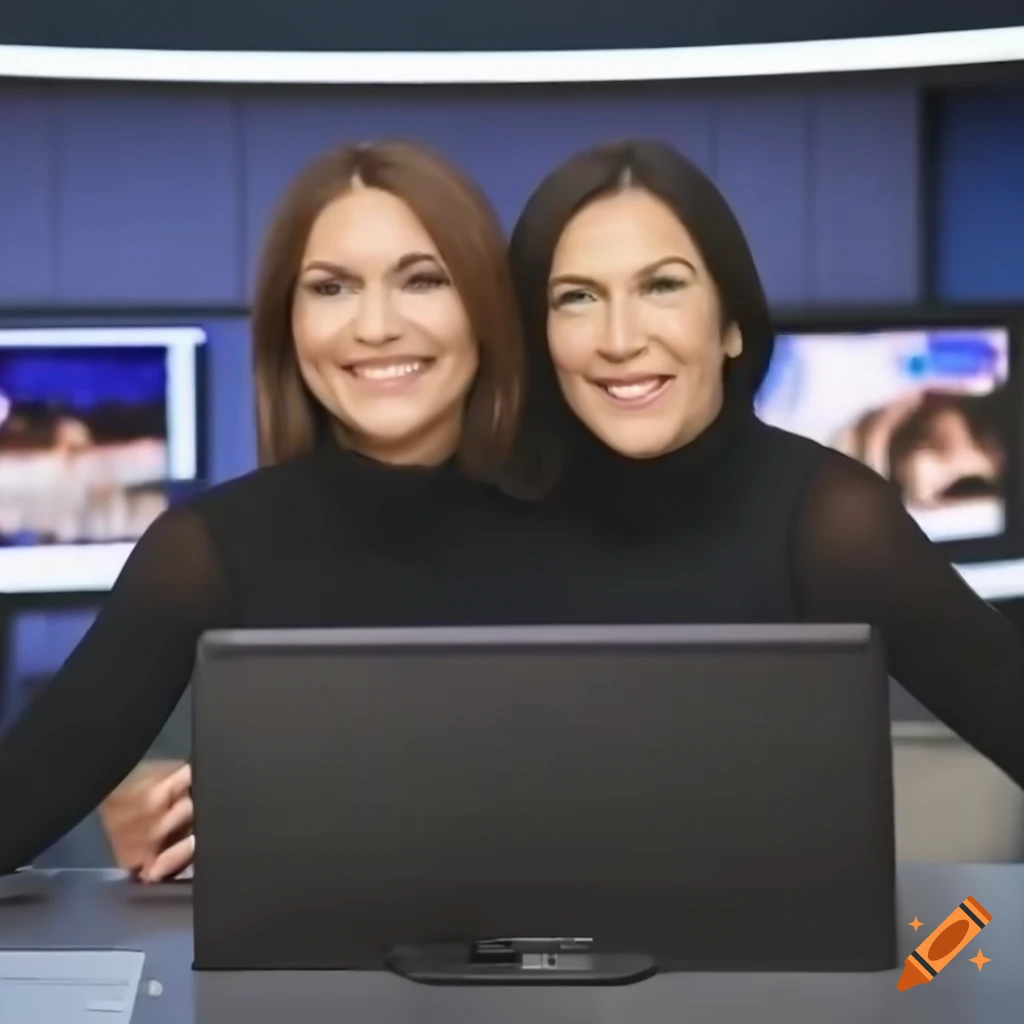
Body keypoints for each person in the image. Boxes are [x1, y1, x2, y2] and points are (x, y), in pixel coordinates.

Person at [0, 139, 534, 880]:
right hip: (297, 986)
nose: (374, 325)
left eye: (422, 280)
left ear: (485, 305)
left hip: (559, 983)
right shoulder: (206, 552)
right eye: (332, 288)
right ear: (290, 322)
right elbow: (18, 803)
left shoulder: (578, 524)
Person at [504, 139, 1024, 789]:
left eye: (662, 286)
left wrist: (967, 901)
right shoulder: (490, 506)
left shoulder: (833, 524)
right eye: (577, 297)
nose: (619, 340)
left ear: (731, 324)